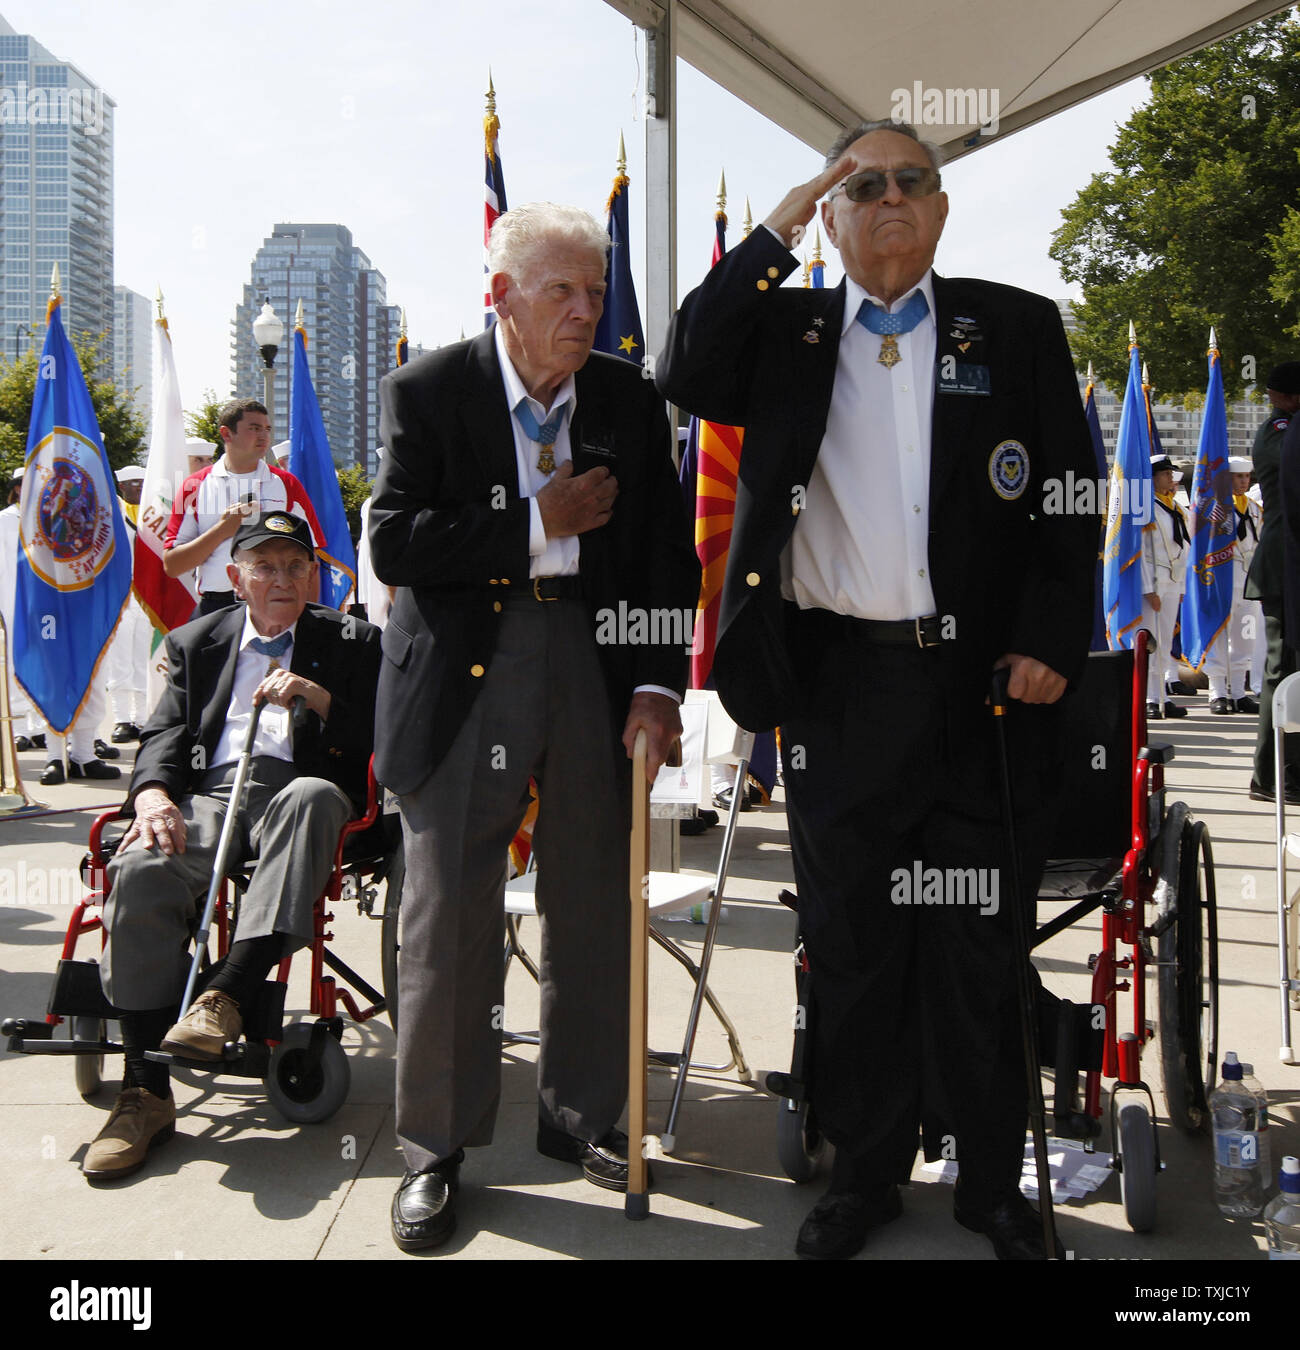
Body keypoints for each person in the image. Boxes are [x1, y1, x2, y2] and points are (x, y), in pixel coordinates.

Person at [657, 119, 1097, 1260]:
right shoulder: (785, 331)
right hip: (838, 689)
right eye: (863, 184)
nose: (890, 197)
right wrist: (775, 225)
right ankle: (862, 1175)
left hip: (983, 691)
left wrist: (1054, 634)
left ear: (941, 208)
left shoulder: (1016, 326)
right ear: (834, 213)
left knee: (973, 942)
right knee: (854, 947)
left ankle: (992, 1185)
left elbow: (1068, 496)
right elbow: (680, 365)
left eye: (912, 180)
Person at [369, 201, 699, 1252]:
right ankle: (434, 1149)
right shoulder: (431, 391)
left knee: (596, 895)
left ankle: (585, 1116)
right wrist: (534, 523)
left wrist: (657, 686)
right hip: (470, 668)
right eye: (562, 290)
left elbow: (660, 556)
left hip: (589, 663)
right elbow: (392, 544)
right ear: (502, 295)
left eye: (594, 292)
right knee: (450, 913)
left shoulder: (623, 402)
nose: (585, 311)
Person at [81, 511, 380, 1181]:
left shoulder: (355, 639)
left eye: (295, 566)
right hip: (211, 796)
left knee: (308, 800)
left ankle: (225, 996)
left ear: (313, 576)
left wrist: (316, 695)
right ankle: (145, 1094)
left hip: (306, 789)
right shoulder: (195, 640)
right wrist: (153, 793)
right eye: (265, 566)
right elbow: (162, 732)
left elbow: (383, 735)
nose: (281, 578)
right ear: (235, 578)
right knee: (140, 863)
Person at [163, 398, 325, 616]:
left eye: (267, 429)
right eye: (254, 428)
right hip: (216, 608)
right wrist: (222, 530)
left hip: (277, 605)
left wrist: (305, 618)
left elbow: (311, 557)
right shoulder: (195, 486)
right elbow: (173, 566)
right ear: (226, 434)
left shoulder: (287, 485)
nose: (264, 436)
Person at [1245, 362, 1300, 802]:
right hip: (1285, 564)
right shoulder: (1282, 432)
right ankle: (1271, 775)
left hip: (1287, 561)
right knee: (1281, 671)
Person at [1204, 456, 1263, 715]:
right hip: (1222, 581)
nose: (1243, 481)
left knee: (1244, 639)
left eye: (1246, 477)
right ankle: (1217, 692)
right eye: (1238, 477)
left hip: (1248, 583)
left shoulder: (1254, 509)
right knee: (1219, 637)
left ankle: (1239, 692)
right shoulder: (1217, 509)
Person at [1140, 455, 1190, 720]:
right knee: (1151, 641)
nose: (1172, 479)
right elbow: (1139, 552)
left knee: (1165, 642)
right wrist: (1148, 588)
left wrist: (1180, 585)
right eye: (1166, 474)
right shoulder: (1145, 507)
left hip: (1171, 581)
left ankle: (1162, 696)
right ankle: (1148, 697)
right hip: (1154, 583)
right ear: (1153, 477)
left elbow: (1182, 549)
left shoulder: (1176, 508)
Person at [105, 465, 152, 742]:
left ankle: (142, 718)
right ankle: (122, 719)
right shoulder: (111, 514)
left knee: (143, 658)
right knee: (120, 660)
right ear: (122, 487)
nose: (139, 487)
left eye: (142, 482)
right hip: (120, 594)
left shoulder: (153, 514)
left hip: (146, 595)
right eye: (133, 483)